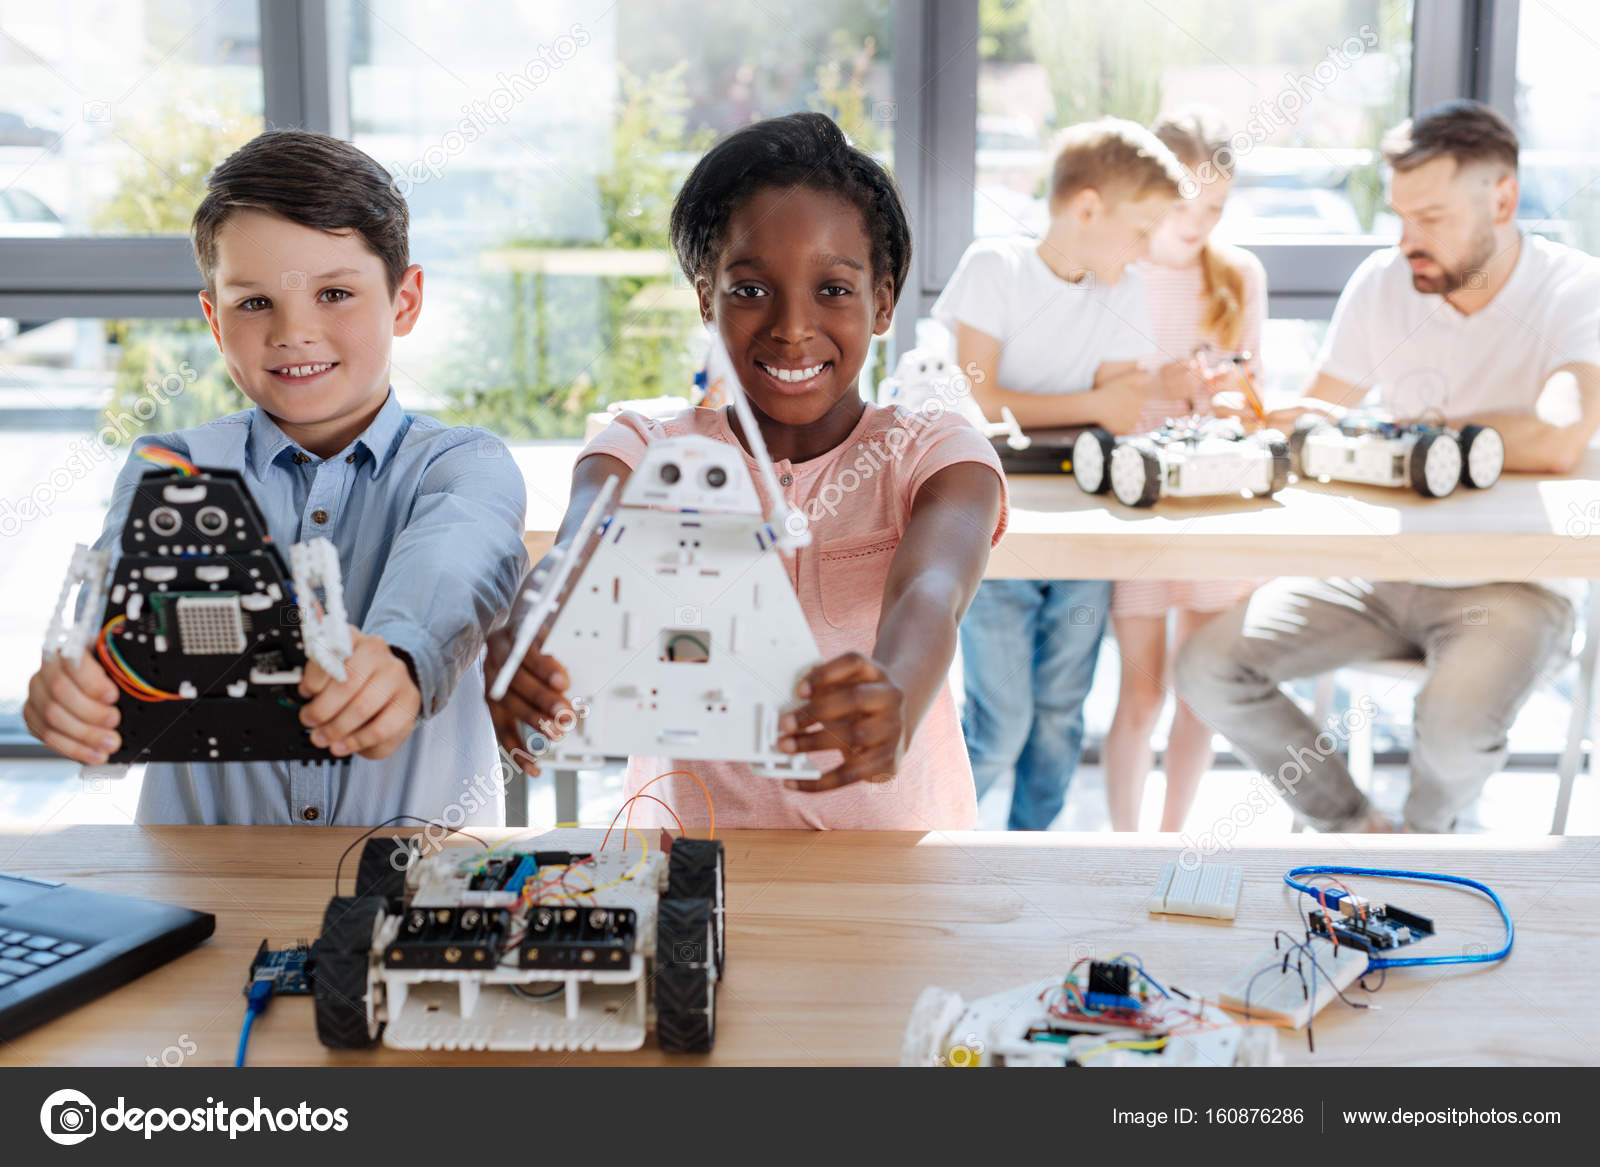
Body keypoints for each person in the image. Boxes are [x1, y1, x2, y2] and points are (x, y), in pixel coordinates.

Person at [488, 112, 1008, 830]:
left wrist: (897, 688)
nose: (792, 326)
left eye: (833, 289)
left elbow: (933, 589)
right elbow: (579, 547)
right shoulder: (643, 446)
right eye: (749, 289)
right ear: (706, 296)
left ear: (883, 302)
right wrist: (530, 624)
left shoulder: (936, 455)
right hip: (689, 871)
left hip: (899, 869)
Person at [21, 129, 529, 825]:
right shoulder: (173, 466)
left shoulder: (467, 464)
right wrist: (83, 694)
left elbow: (458, 554)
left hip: (413, 902)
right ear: (213, 317)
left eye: (335, 293)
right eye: (255, 302)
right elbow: (119, 629)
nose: (294, 331)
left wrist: (404, 657)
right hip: (206, 898)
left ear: (404, 301)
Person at [1176, 101, 1600, 833]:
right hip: (1378, 568)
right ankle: (1354, 827)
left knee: (1453, 727)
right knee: (1205, 667)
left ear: (1503, 197)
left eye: (1431, 217)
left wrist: (1397, 433)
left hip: (1515, 580)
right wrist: (1259, 415)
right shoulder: (1383, 282)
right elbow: (1317, 412)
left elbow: (1559, 437)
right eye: (1400, 217)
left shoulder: (1575, 288)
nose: (1409, 241)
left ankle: (1425, 841)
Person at [932, 117, 1183, 829]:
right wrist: (1093, 404)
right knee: (1002, 720)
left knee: (1058, 720)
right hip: (998, 526)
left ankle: (1031, 855)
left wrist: (1092, 406)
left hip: (1084, 522)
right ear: (1087, 207)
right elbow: (979, 397)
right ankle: (947, 842)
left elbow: (1114, 411)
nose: (1147, 249)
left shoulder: (1122, 288)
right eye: (1141, 229)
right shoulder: (995, 269)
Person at [1103, 109, 1267, 832]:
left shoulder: (1238, 275)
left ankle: (1172, 839)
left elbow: (1255, 396)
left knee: (1200, 690)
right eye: (1185, 206)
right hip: (1138, 505)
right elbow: (1099, 396)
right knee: (1141, 695)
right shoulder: (1118, 275)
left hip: (1213, 503)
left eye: (1216, 208)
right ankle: (1122, 843)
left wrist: (1228, 392)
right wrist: (1156, 388)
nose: (1200, 223)